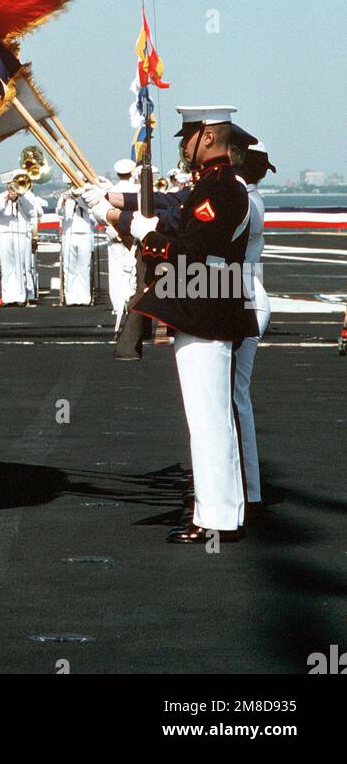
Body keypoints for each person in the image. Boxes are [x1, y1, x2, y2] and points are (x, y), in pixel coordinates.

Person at [127, 107, 258, 544]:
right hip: (213, 305)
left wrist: (145, 235)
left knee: (206, 422)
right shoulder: (220, 185)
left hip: (205, 307)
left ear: (205, 137)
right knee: (213, 419)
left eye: (187, 136)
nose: (182, 145)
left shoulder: (217, 188)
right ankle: (222, 512)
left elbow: (189, 255)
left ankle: (217, 518)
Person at [230, 131, 275, 514]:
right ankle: (244, 488)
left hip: (245, 301)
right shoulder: (250, 197)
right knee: (232, 397)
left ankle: (248, 490)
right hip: (242, 296)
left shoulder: (244, 200)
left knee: (234, 398)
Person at [0, 172, 45, 306]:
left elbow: (32, 212)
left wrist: (21, 197)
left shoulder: (26, 197)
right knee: (7, 266)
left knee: (20, 266)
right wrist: (7, 197)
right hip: (5, 232)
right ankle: (8, 297)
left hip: (21, 232)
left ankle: (21, 296)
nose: (12, 188)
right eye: (10, 185)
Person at [105, 158, 138, 332]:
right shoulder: (137, 190)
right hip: (132, 235)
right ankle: (130, 302)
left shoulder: (111, 191)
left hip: (114, 234)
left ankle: (118, 305)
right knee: (133, 271)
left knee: (116, 272)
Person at [58, 188, 94, 306]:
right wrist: (63, 201)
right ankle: (71, 297)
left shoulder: (87, 197)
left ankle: (84, 297)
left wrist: (78, 197)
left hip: (84, 233)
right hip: (69, 234)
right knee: (69, 267)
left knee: (84, 266)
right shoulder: (66, 196)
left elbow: (90, 211)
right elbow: (59, 212)